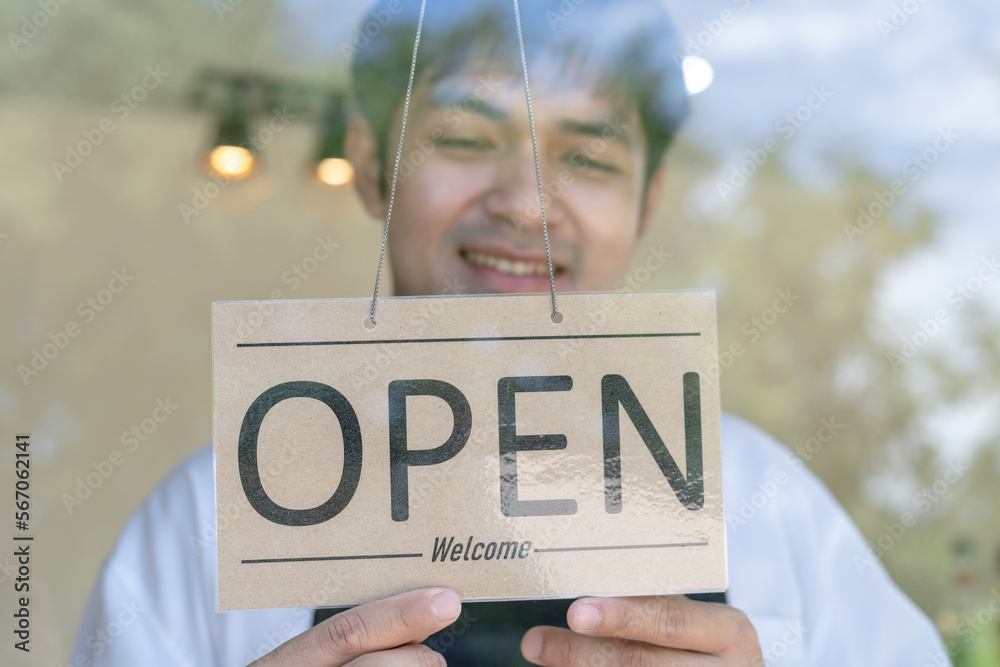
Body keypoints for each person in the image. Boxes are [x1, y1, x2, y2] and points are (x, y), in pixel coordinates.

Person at [72, 1, 950, 665]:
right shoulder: (206, 517)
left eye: (589, 158)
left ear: (646, 203)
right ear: (372, 165)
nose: (526, 203)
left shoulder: (765, 501)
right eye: (463, 138)